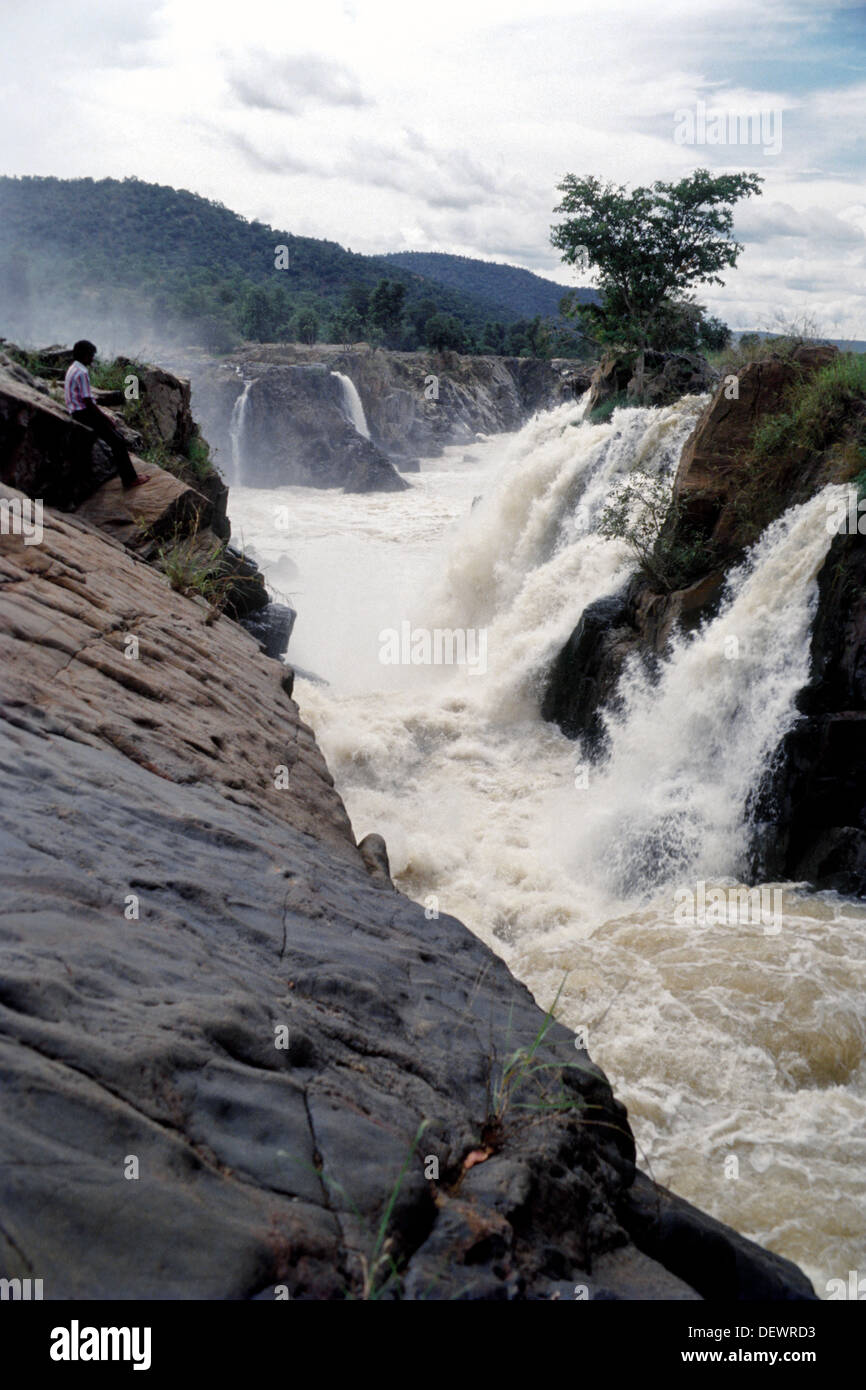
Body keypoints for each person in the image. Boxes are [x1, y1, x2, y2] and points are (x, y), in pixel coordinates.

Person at [64, 341, 150, 489]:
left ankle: (129, 475)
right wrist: (105, 417)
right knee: (118, 441)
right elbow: (88, 401)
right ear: (85, 356)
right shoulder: (82, 372)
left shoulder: (72, 368)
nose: (92, 359)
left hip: (75, 411)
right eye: (91, 356)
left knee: (117, 439)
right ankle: (130, 479)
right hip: (84, 413)